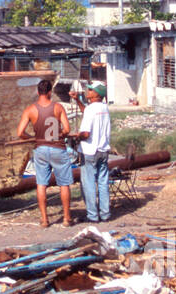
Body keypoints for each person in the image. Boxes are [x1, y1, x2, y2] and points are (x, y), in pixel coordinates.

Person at [15, 79, 72, 227]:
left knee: (41, 184)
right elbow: (67, 129)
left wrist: (33, 138)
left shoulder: (30, 110)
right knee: (64, 184)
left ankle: (45, 219)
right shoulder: (58, 107)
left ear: (38, 91)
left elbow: (20, 132)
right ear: (49, 92)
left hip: (40, 148)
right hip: (57, 148)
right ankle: (66, 218)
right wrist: (59, 134)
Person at [74, 82, 112, 223]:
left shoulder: (91, 109)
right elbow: (87, 112)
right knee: (102, 182)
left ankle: (92, 216)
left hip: (90, 151)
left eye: (90, 90)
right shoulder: (104, 108)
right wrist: (78, 100)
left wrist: (76, 136)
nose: (88, 91)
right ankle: (105, 214)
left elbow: (85, 133)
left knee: (88, 183)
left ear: (97, 94)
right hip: (103, 149)